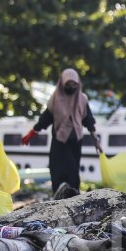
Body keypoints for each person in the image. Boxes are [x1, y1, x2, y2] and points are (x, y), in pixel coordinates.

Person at [21, 68, 101, 196]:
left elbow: (89, 121)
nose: (71, 87)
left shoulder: (82, 99)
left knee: (73, 170)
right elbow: (45, 119)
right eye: (68, 85)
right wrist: (33, 132)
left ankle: (74, 196)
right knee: (57, 169)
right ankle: (58, 196)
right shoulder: (55, 99)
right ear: (62, 84)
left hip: (75, 141)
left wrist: (96, 140)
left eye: (74, 85)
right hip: (59, 140)